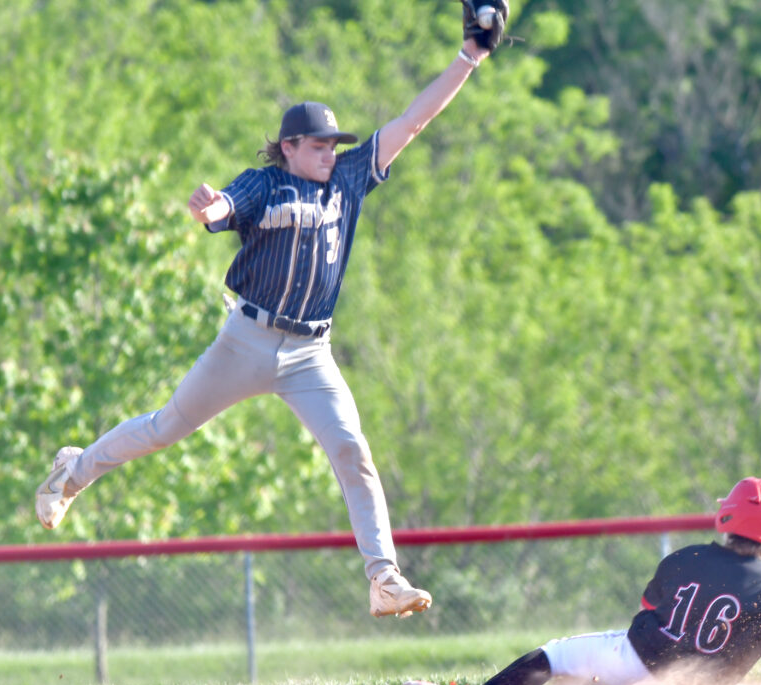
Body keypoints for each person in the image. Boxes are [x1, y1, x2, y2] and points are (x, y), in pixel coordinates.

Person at [34, 19, 510, 619]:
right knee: (165, 427)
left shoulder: (348, 181)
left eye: (333, 145)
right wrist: (211, 209)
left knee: (352, 452)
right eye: (318, 145)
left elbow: (413, 120)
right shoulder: (265, 184)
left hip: (311, 355)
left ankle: (383, 578)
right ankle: (72, 473)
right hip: (246, 342)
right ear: (289, 147)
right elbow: (226, 206)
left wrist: (469, 56)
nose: (329, 153)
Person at [400, 477, 761, 685]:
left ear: (729, 516)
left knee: (560, 655)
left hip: (638, 657)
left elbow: (647, 609)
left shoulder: (687, 557)